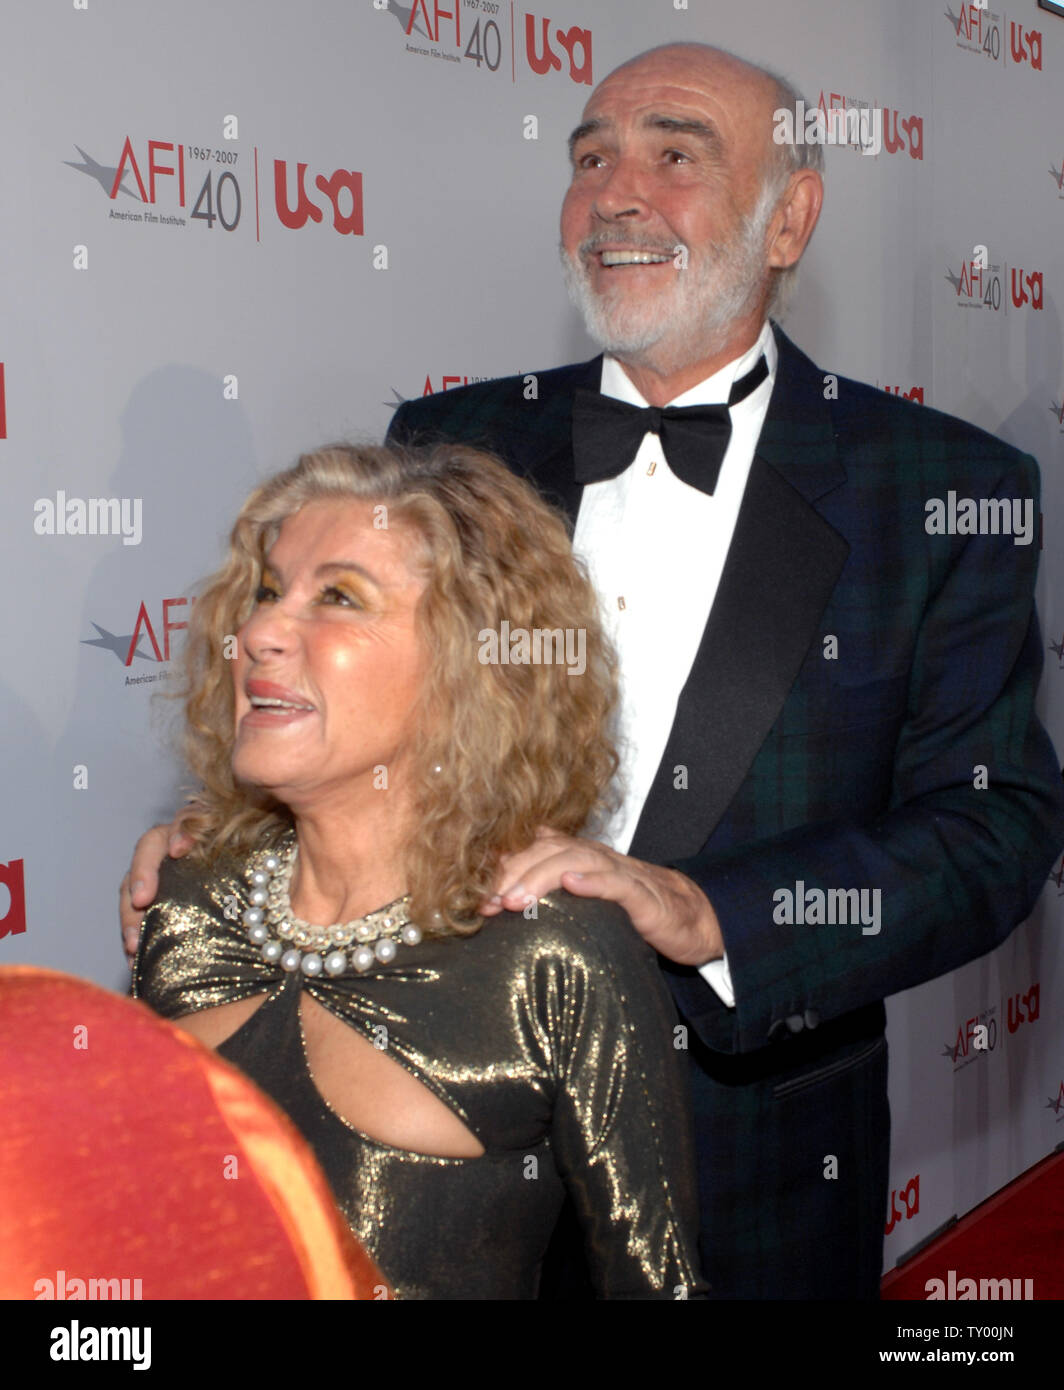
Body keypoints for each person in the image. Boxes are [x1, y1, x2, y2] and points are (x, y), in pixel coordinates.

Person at [122, 43, 1064, 1299]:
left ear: (788, 215)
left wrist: (705, 909)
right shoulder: (453, 441)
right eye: (588, 156)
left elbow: (994, 826)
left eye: (674, 153)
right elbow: (370, 723)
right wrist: (239, 851)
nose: (616, 191)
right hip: (432, 1135)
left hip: (753, 1161)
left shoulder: (943, 490)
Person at [131, 441, 707, 1301]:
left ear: (468, 661)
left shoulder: (555, 954)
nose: (256, 633)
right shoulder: (187, 902)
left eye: (337, 597)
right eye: (266, 590)